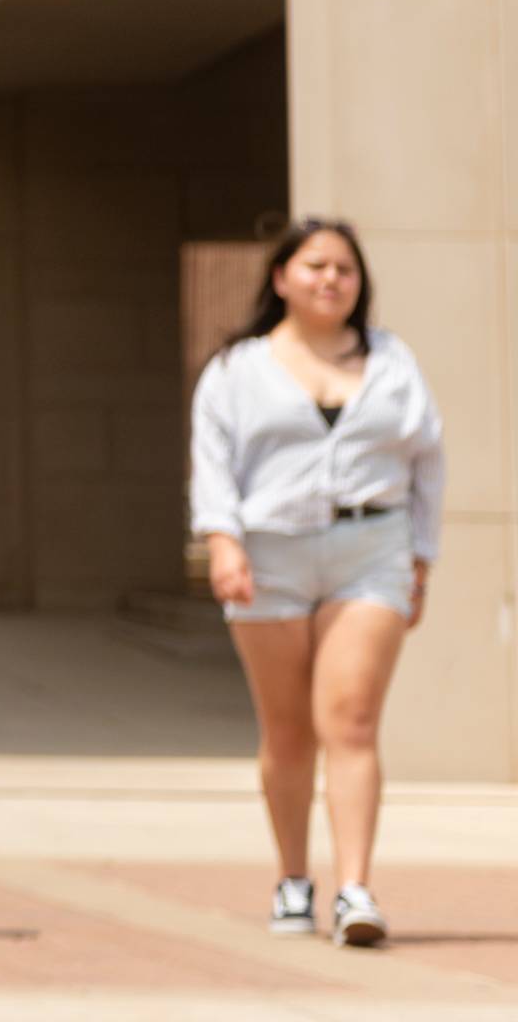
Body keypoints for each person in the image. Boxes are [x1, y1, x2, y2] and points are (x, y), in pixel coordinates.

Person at [191, 216, 445, 950]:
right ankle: (294, 878)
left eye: (345, 269)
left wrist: (419, 556)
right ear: (281, 279)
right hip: (269, 554)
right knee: (289, 731)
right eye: (315, 266)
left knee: (353, 722)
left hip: (372, 549)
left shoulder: (393, 363)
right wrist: (222, 540)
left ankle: (356, 889)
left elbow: (429, 459)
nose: (331, 280)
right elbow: (212, 460)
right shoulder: (238, 368)